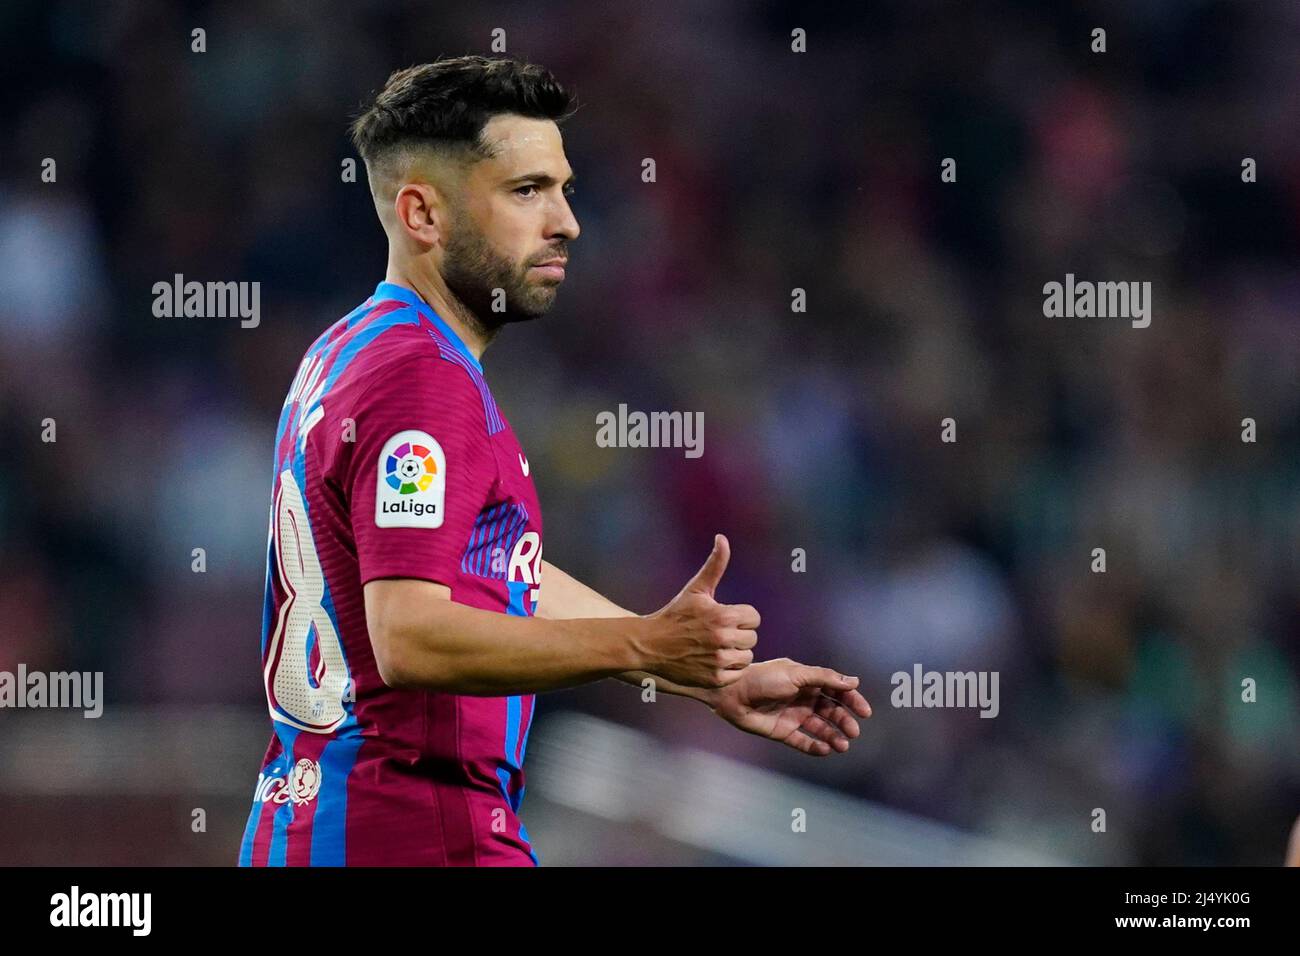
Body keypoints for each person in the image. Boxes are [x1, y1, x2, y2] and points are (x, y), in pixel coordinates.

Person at [238, 55, 871, 866]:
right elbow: (409, 635)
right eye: (527, 191)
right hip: (412, 834)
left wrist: (703, 676)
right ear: (423, 214)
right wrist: (641, 647)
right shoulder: (419, 379)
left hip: (320, 830)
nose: (567, 221)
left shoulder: (349, 350)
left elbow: (499, 576)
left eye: (565, 189)